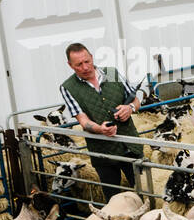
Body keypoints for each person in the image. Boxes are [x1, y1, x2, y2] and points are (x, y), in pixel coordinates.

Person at [58, 43, 147, 192]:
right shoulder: (68, 87)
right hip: (103, 154)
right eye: (79, 64)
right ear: (70, 65)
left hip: (130, 146)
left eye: (87, 61)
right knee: (113, 199)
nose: (85, 67)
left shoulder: (112, 73)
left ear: (92, 57)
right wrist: (100, 129)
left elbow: (135, 99)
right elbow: (83, 120)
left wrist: (129, 108)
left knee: (145, 191)